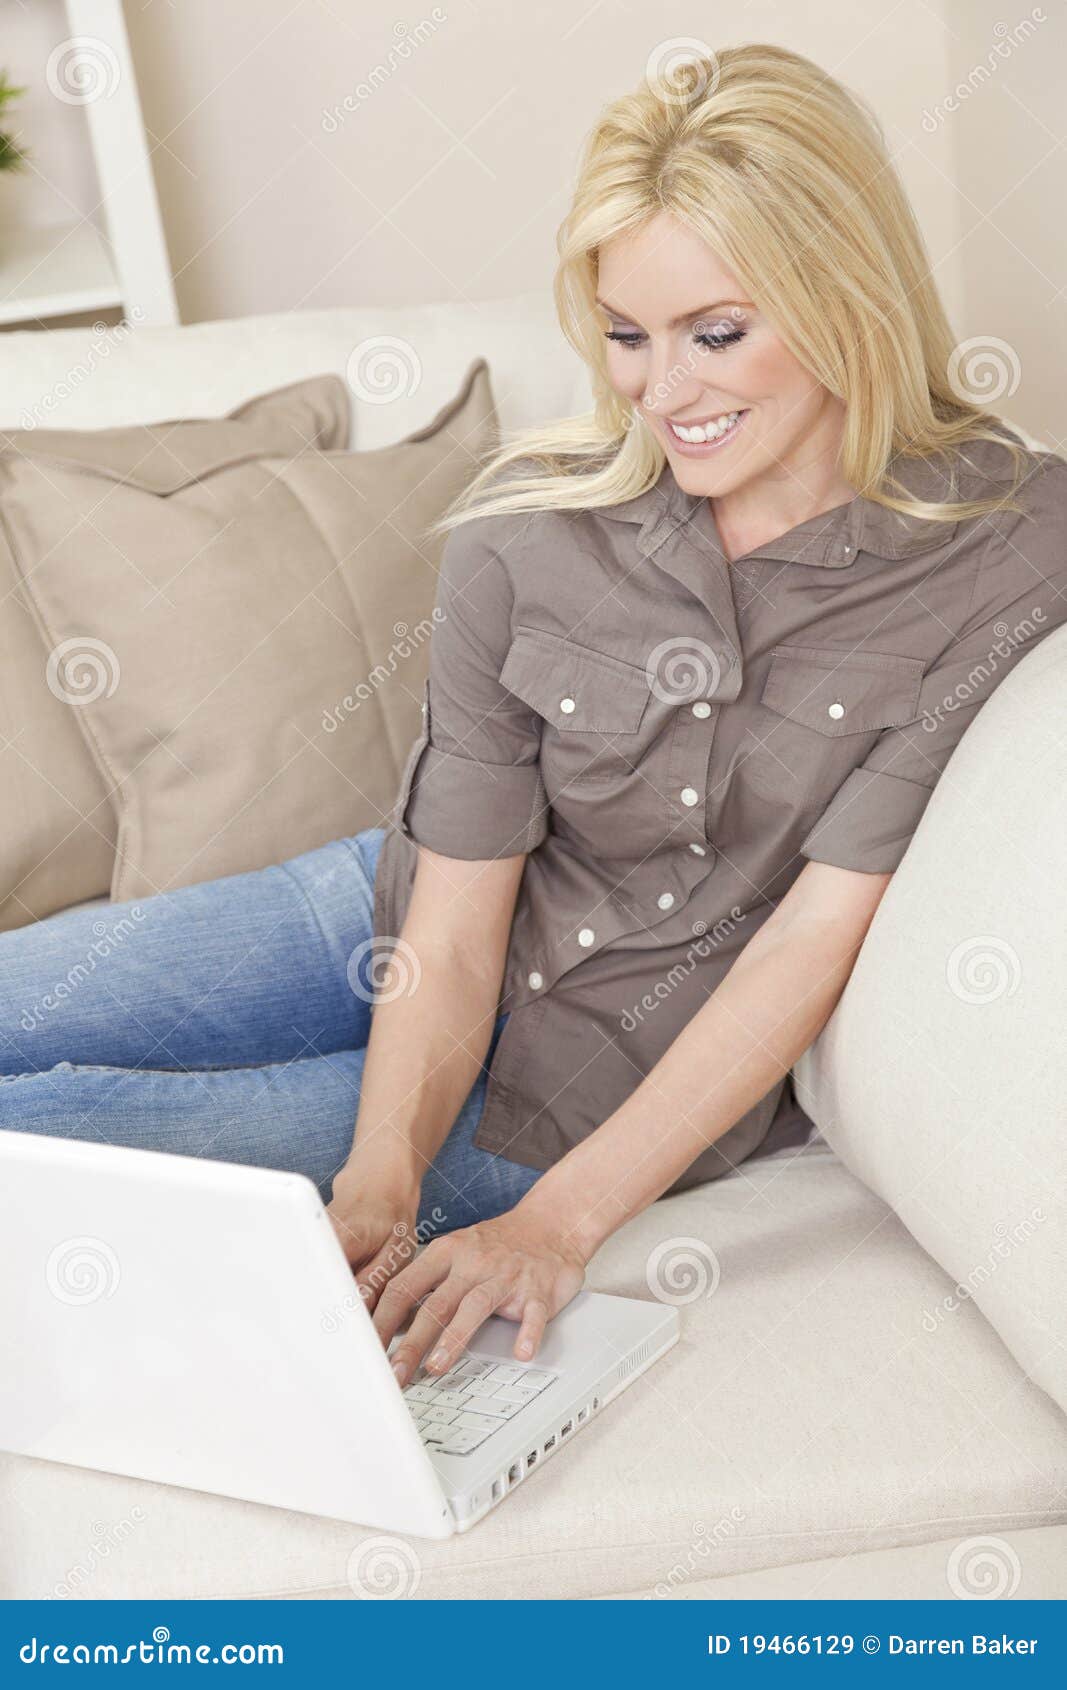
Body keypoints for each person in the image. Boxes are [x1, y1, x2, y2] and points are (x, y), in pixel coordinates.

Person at [2, 44, 1064, 1388]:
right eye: (627, 334)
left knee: (44, 1134)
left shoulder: (1006, 545)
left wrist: (556, 1222)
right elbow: (452, 914)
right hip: (387, 916)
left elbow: (813, 936)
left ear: (847, 296)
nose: (660, 391)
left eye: (715, 332)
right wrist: (377, 1183)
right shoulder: (533, 535)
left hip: (585, 1079)